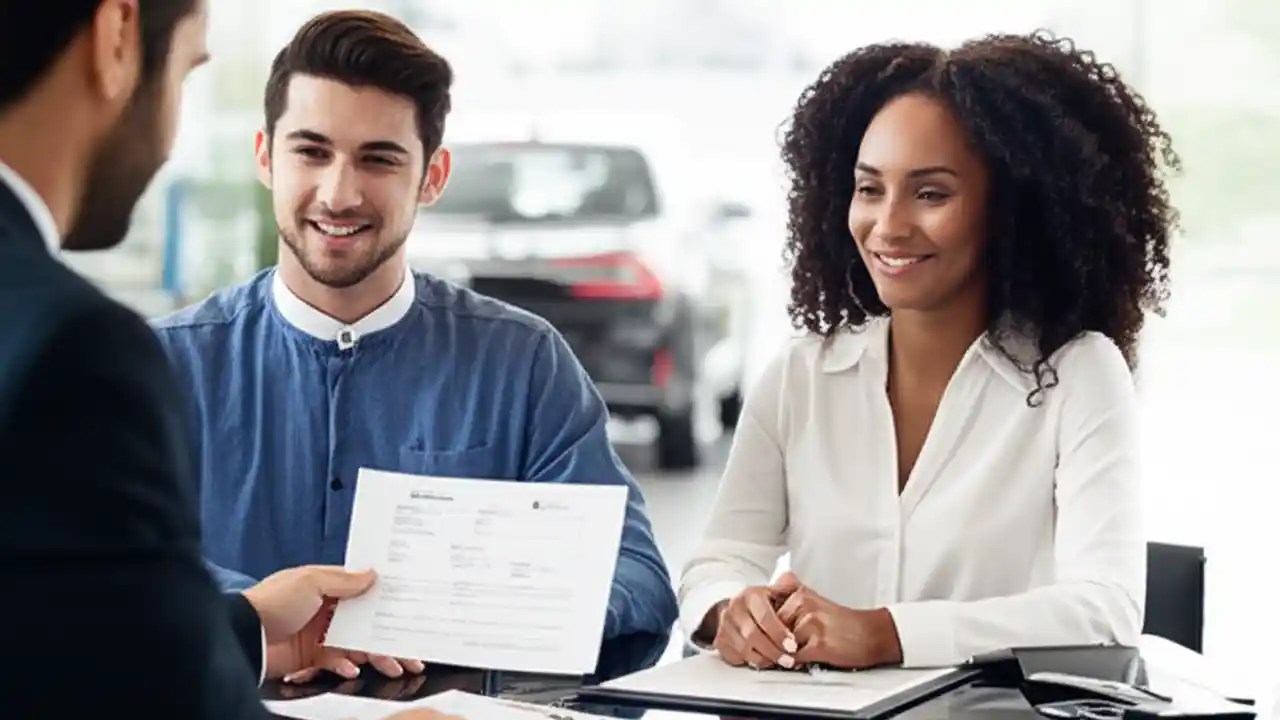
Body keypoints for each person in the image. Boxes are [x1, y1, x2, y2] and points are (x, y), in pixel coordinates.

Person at [152, 9, 678, 681]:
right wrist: (257, 618)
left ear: (432, 176)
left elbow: (634, 576)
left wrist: (463, 612)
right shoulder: (163, 367)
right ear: (265, 157)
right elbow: (101, 568)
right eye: (312, 152)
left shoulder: (523, 366)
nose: (339, 193)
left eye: (379, 159)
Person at [0, 1, 460, 717]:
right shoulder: (75, 348)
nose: (168, 138)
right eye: (187, 72)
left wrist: (243, 626)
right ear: (116, 36)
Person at [679, 30, 1180, 671]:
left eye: (931, 193)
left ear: (1011, 208)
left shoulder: (1079, 374)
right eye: (869, 189)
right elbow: (719, 561)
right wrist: (730, 609)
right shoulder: (802, 373)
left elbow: (1104, 612)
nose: (888, 225)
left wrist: (888, 634)